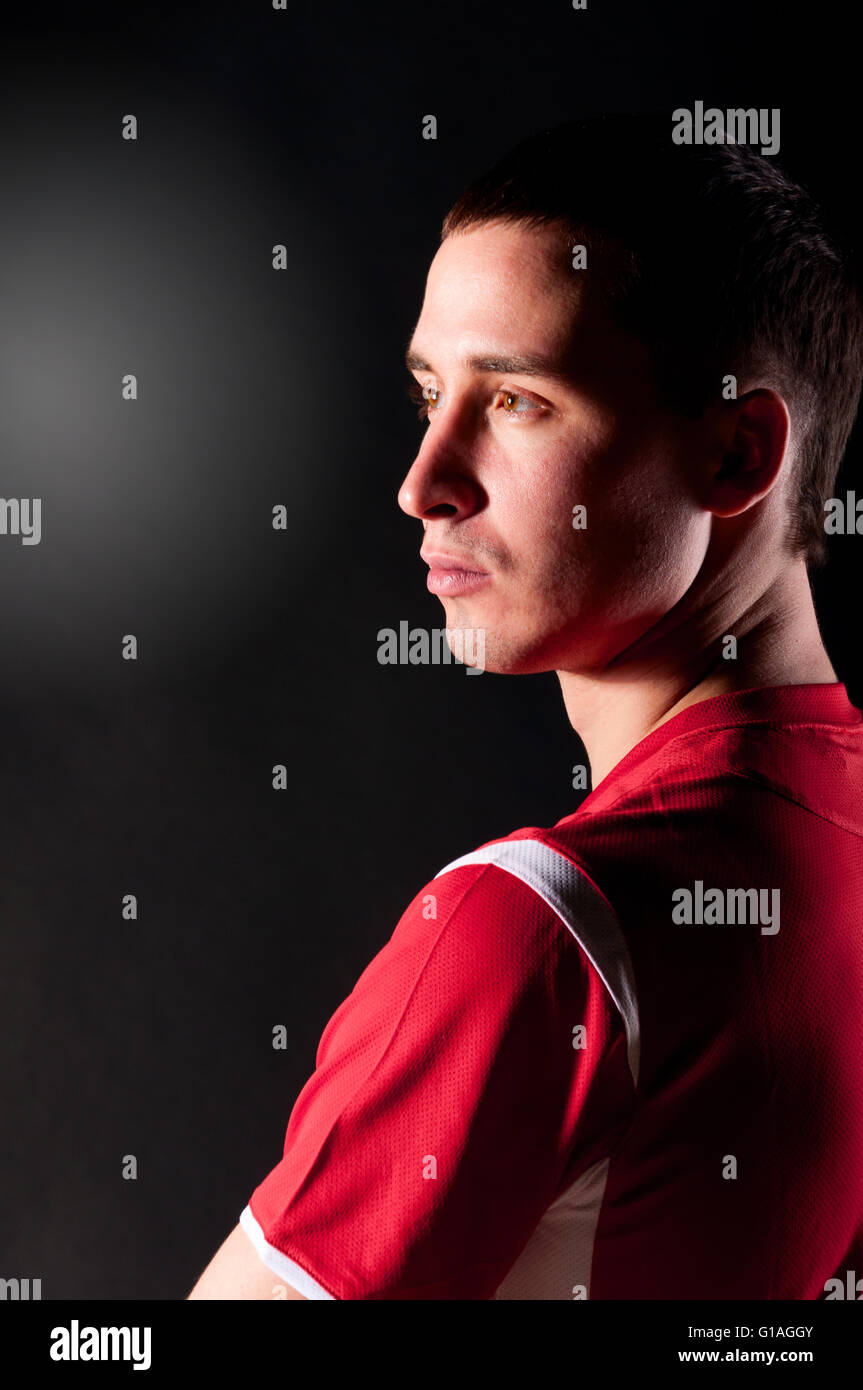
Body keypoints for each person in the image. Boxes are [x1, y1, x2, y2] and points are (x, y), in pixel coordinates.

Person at [188, 113, 863, 1300]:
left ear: (735, 452)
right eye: (427, 396)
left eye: (515, 403)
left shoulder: (540, 936)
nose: (422, 484)